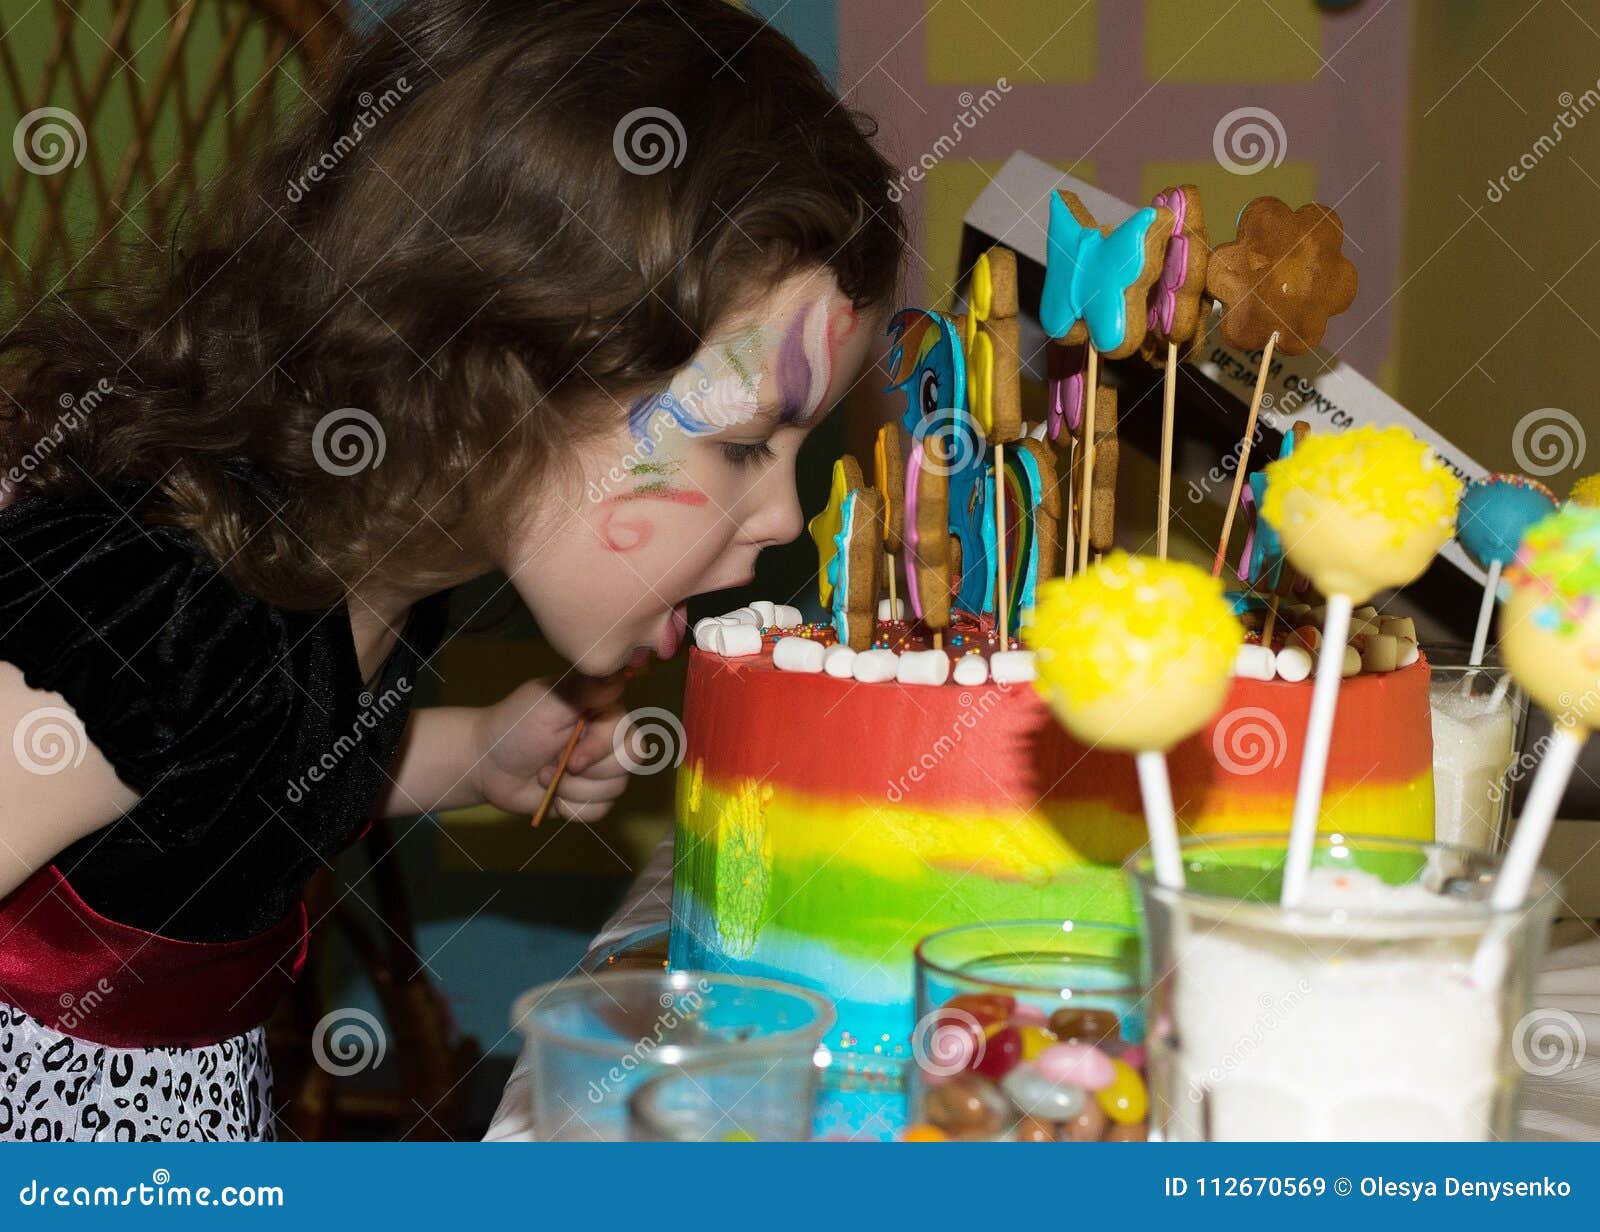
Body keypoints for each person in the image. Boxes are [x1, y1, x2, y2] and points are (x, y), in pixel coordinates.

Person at [0, 0, 903, 1141]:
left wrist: (472, 753)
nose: (783, 515)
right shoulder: (157, 617)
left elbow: (243, 780)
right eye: (741, 444)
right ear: (505, 372)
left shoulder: (369, 570)